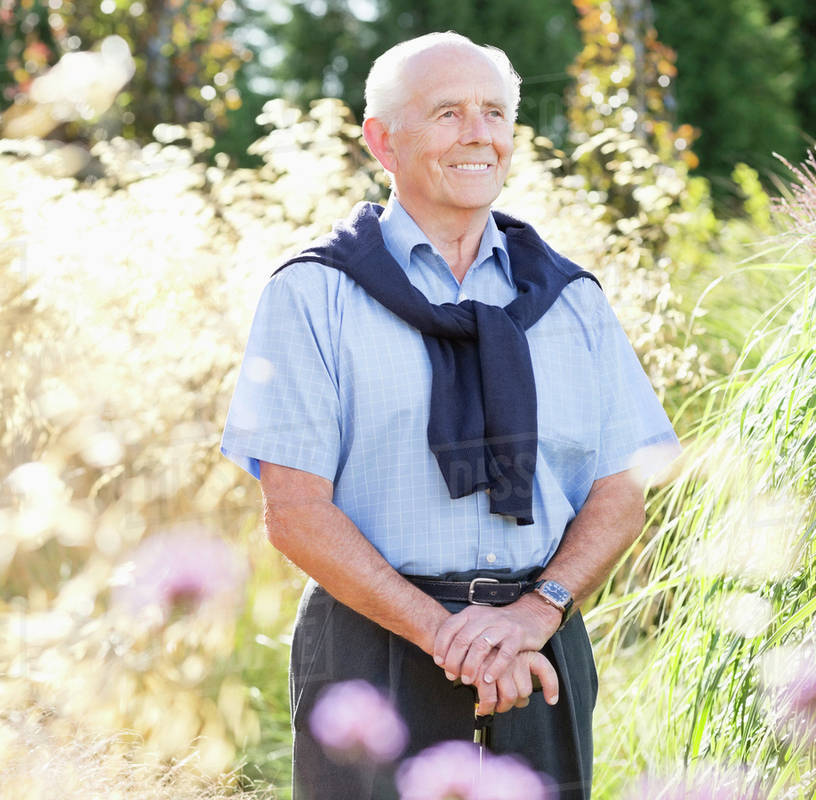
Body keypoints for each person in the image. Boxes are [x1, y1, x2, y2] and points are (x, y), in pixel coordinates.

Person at [219, 32, 679, 800]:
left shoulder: (572, 301)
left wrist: (535, 616)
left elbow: (621, 491)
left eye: (495, 113)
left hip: (540, 656)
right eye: (448, 113)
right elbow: (295, 511)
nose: (478, 134)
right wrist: (445, 634)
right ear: (382, 141)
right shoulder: (312, 295)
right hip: (372, 657)